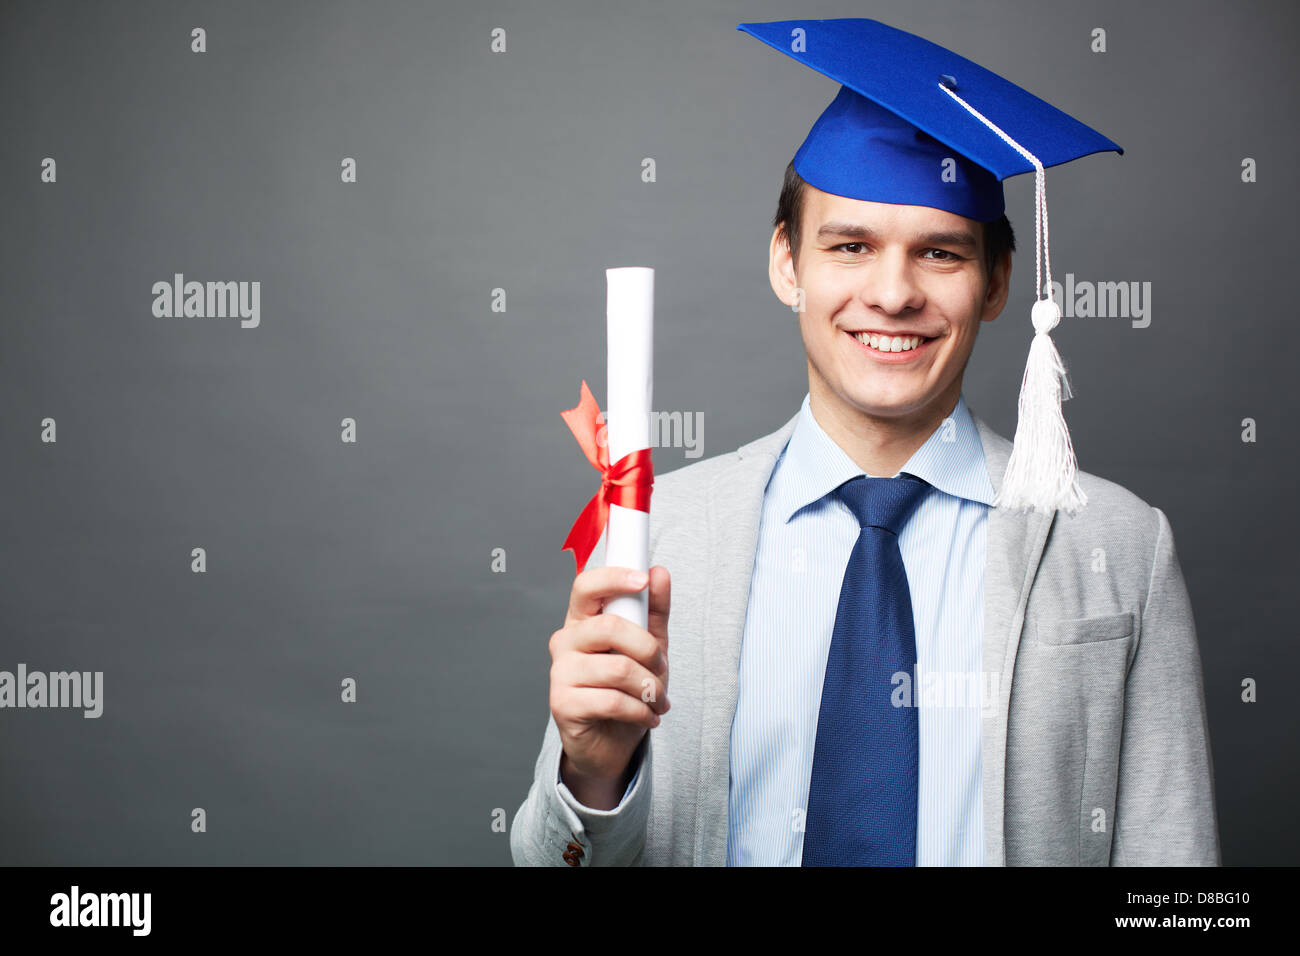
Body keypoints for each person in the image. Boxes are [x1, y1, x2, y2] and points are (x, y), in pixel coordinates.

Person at [510, 17, 1220, 866]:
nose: (892, 294)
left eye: (940, 254)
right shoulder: (658, 532)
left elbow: (1178, 886)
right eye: (850, 245)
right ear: (787, 265)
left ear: (996, 284)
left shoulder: (1117, 546)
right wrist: (593, 774)